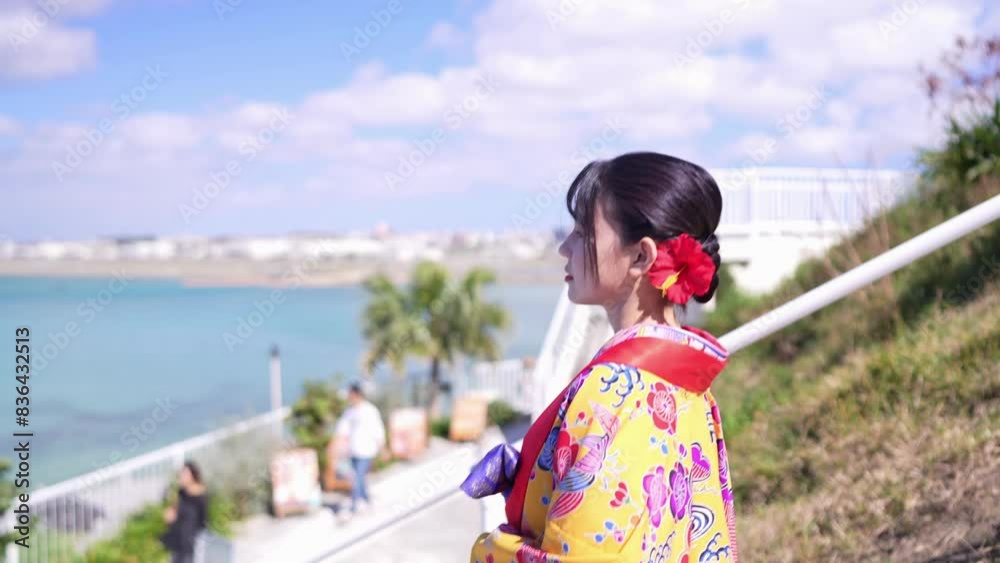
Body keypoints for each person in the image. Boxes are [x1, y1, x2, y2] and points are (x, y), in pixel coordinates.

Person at [466, 152, 738, 562]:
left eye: (581, 232)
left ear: (641, 257)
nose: (564, 247)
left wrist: (489, 548)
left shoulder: (613, 395)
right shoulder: (688, 388)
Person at [335, 382, 387, 518]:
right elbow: (342, 430)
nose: (349, 397)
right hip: (353, 450)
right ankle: (366, 498)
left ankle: (354, 504)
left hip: (367, 450)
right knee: (360, 477)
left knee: (357, 477)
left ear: (357, 394)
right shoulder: (350, 412)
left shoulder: (370, 410)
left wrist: (382, 447)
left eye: (350, 394)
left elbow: (378, 430)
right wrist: (339, 447)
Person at [160, 461, 209, 563]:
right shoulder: (181, 491)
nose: (182, 477)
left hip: (190, 541)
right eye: (181, 474)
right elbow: (175, 510)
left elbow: (202, 520)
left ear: (193, 475)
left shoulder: (201, 496)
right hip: (178, 538)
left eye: (185, 474)